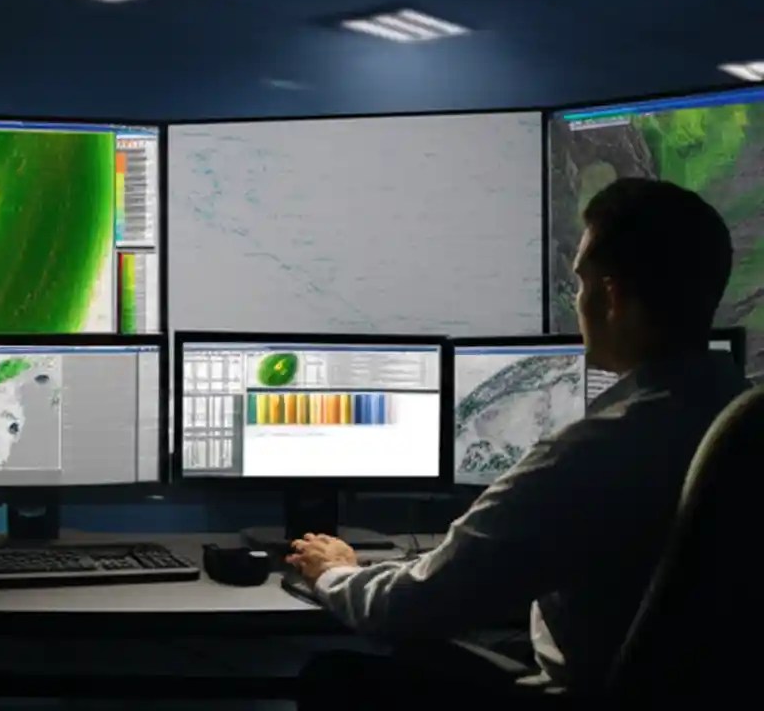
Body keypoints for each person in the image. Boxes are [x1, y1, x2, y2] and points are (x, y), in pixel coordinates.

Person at [287, 178, 748, 700]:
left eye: (580, 283)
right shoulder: (742, 420)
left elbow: (407, 608)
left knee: (337, 678)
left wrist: (334, 572)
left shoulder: (597, 451)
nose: (578, 302)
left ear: (612, 295)